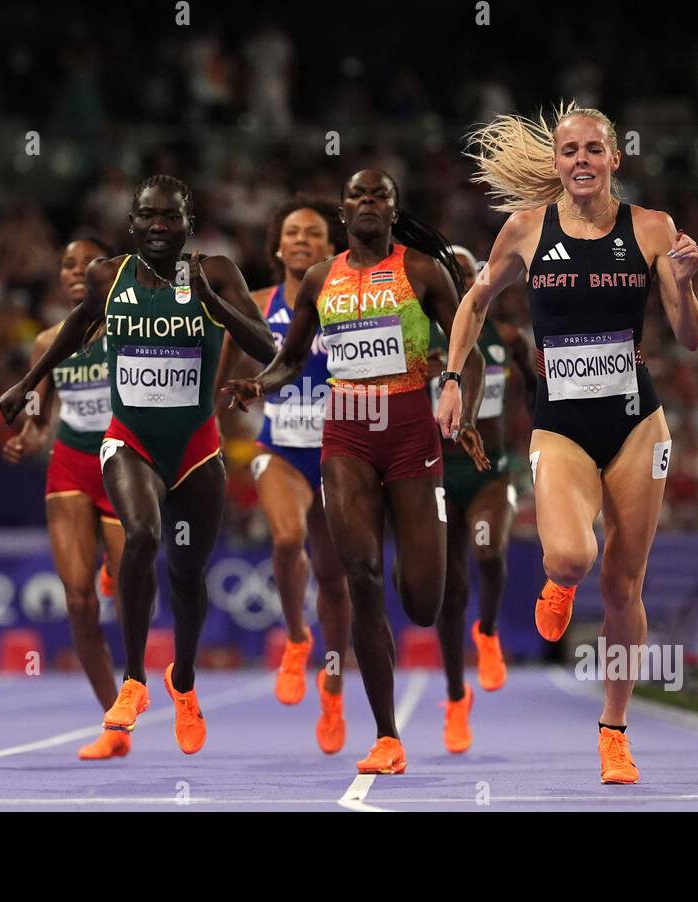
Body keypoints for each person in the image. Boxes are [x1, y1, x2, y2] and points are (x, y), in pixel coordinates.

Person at [439, 102, 698, 783]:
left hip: (637, 422)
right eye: (570, 151)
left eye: (594, 149)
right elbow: (475, 299)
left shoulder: (651, 228)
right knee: (569, 554)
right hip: (560, 422)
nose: (581, 160)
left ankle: (614, 731)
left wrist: (687, 284)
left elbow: (691, 335)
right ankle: (559, 583)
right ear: (556, 163)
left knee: (623, 585)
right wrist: (449, 379)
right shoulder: (526, 229)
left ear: (616, 157)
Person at [0, 175, 275, 755]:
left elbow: (267, 348)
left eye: (169, 217)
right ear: (131, 222)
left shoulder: (215, 270)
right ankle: (132, 681)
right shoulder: (109, 276)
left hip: (198, 450)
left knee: (188, 577)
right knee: (143, 535)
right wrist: (26, 382)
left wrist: (213, 302)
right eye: (148, 216)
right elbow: (76, 327)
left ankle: (185, 680)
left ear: (187, 220)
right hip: (130, 440)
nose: (158, 226)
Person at [223, 169, 487, 775]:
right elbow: (289, 361)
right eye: (358, 196)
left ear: (392, 210)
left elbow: (466, 351)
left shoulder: (423, 272)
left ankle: (410, 553)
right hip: (343, 434)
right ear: (345, 211)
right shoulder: (321, 278)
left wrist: (460, 402)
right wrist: (256, 385)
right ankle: (387, 737)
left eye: (380, 196)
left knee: (422, 601)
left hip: (410, 435)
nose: (368, 203)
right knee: (359, 574)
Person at [212, 197, 353, 753]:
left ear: (330, 248)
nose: (301, 241)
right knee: (287, 536)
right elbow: (229, 364)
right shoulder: (262, 304)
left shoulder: (346, 301)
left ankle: (335, 690)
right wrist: (214, 420)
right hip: (281, 447)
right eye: (292, 232)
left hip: (342, 450)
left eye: (313, 234)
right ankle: (296, 638)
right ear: (277, 246)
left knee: (337, 579)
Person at [3, 237, 130, 760]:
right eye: (67, 264)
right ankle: (114, 722)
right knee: (78, 601)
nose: (76, 271)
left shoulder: (132, 330)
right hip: (71, 464)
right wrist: (29, 436)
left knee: (130, 591)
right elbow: (39, 412)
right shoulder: (49, 341)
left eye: (87, 264)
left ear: (110, 273)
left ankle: (112, 570)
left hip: (125, 462)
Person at [425, 245, 537, 753]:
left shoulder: (508, 337)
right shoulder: (419, 340)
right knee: (447, 589)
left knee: (488, 549)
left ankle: (487, 631)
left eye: (470, 275)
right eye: (453, 276)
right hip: (436, 475)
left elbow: (540, 394)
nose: (463, 283)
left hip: (491, 469)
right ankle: (454, 697)